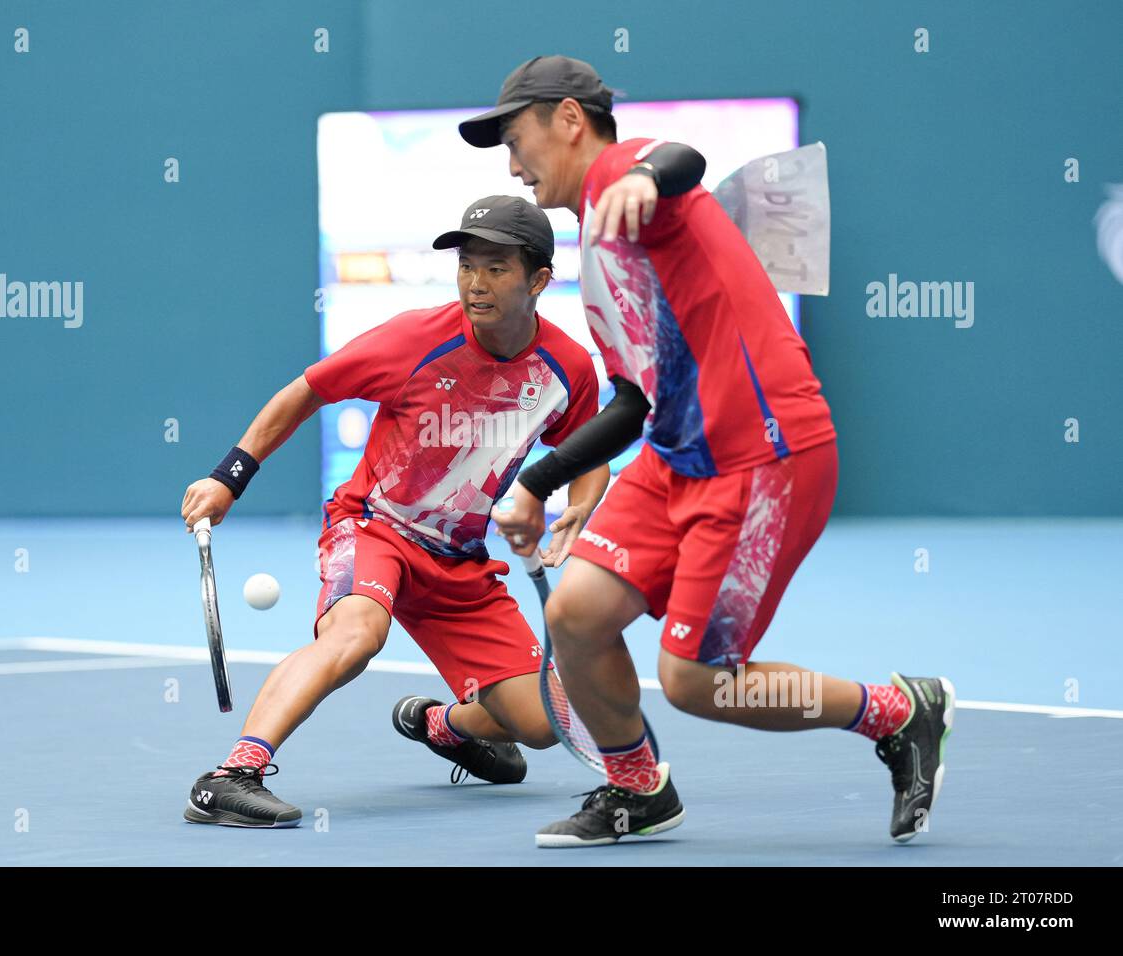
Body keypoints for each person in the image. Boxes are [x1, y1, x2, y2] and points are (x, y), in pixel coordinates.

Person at [463, 56, 954, 847]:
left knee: (693, 681)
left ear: (568, 119)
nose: (512, 164)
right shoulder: (597, 253)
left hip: (765, 455)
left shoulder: (628, 181)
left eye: (516, 139)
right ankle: (637, 789)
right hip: (675, 457)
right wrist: (538, 481)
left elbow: (679, 160)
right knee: (577, 614)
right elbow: (632, 399)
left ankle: (899, 712)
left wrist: (648, 179)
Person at [179, 195, 604, 827]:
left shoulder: (565, 368)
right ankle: (232, 774)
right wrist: (229, 476)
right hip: (372, 527)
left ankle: (441, 725)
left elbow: (586, 450)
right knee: (356, 636)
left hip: (457, 561)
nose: (475, 283)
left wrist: (578, 507)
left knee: (542, 723)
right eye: (467, 265)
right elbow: (306, 392)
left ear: (539, 280)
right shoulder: (414, 339)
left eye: (495, 268)